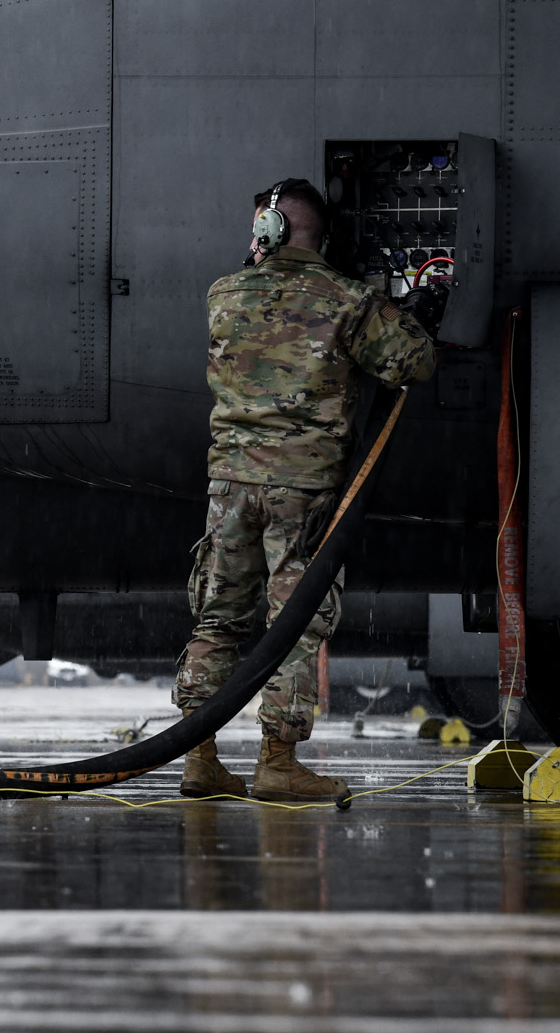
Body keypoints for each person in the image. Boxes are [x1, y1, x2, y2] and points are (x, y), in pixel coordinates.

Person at [176, 178, 436, 803]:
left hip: (230, 487)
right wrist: (411, 308)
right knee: (293, 624)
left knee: (217, 618)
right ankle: (278, 761)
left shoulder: (225, 294)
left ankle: (198, 757)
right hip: (302, 491)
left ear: (267, 229)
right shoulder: (347, 300)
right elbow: (415, 362)